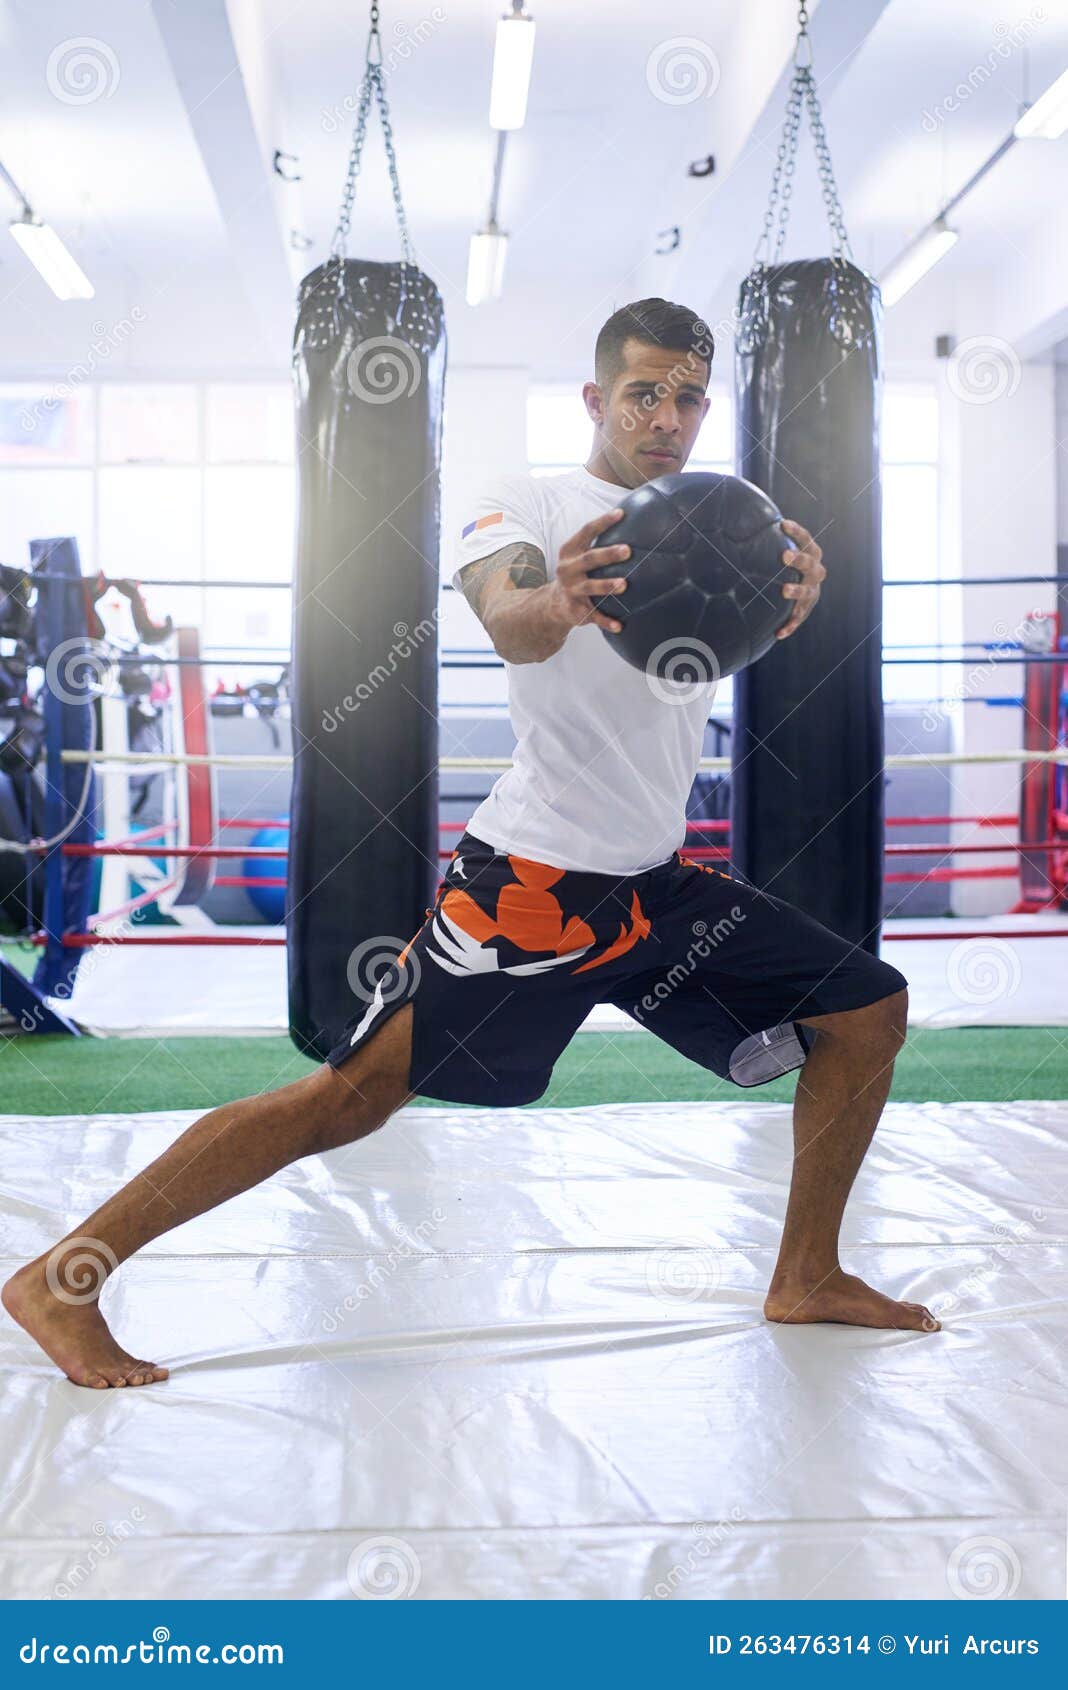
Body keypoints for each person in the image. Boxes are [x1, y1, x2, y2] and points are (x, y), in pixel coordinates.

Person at [3, 297, 936, 1389]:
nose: (666, 416)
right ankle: (62, 1276)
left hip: (652, 888)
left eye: (688, 396)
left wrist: (786, 595)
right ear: (597, 398)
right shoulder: (525, 504)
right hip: (530, 888)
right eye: (643, 392)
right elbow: (512, 620)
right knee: (341, 1101)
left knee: (868, 1008)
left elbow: (721, 634)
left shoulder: (723, 514)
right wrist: (568, 597)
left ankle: (807, 1274)